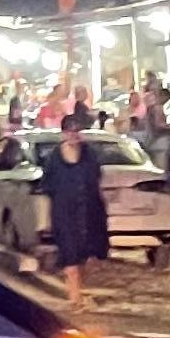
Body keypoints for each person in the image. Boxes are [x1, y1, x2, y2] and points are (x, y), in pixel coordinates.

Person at [41, 110, 112, 309]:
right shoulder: (54, 158)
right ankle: (75, 299)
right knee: (70, 255)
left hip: (89, 213)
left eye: (76, 131)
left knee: (87, 257)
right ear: (63, 133)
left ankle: (80, 291)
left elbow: (96, 180)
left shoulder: (89, 154)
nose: (73, 135)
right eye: (69, 131)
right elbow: (48, 186)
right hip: (65, 214)